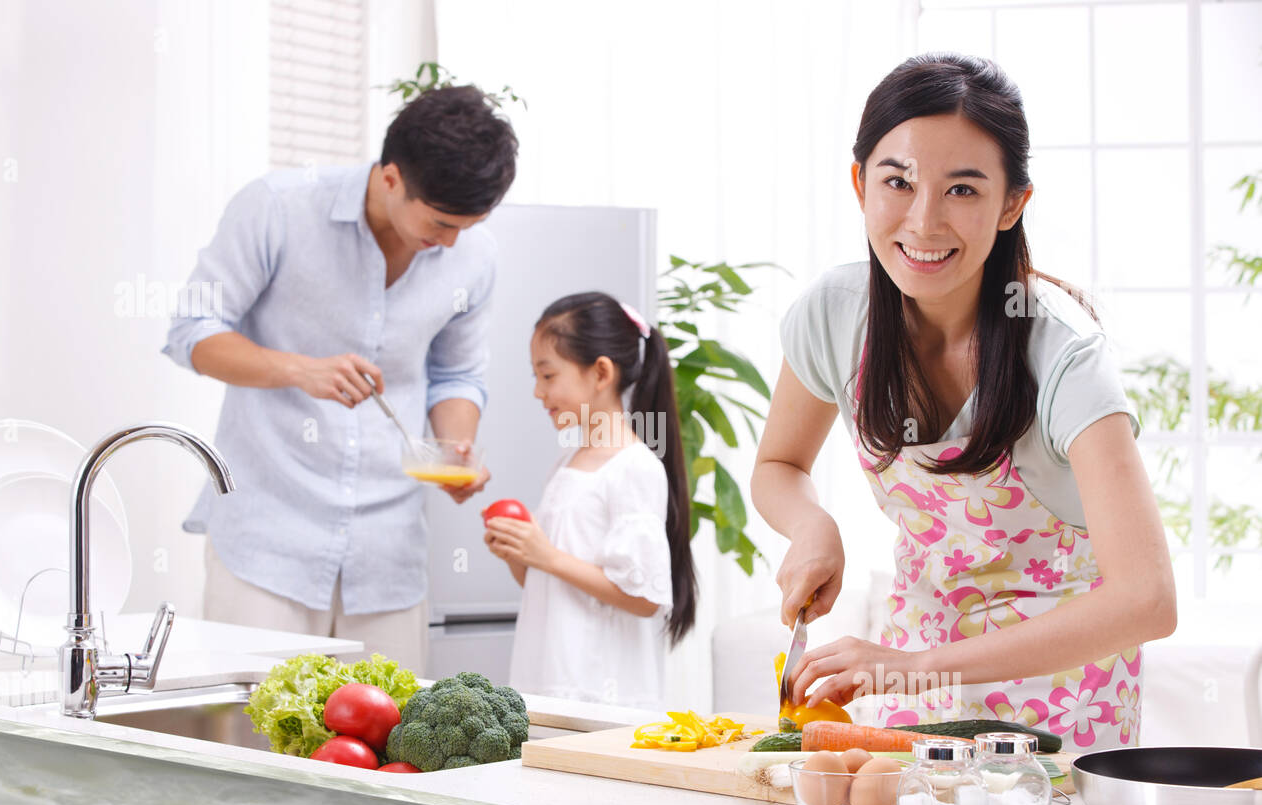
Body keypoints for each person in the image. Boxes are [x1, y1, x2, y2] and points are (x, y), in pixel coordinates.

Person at [751, 53, 1175, 752]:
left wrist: (914, 668)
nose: (923, 222)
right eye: (899, 181)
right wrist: (811, 529)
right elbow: (778, 465)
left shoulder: (1064, 352)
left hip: (1058, 701)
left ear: (1012, 203)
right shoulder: (833, 313)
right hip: (906, 684)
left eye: (963, 190)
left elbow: (1148, 600)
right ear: (860, 185)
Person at [162, 86, 518, 674]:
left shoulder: (474, 256)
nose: (452, 241)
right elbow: (191, 333)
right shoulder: (276, 207)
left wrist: (455, 447)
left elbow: (456, 372)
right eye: (440, 222)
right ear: (390, 178)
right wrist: (299, 369)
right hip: (267, 539)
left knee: (384, 750)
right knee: (252, 746)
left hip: (388, 552)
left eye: (469, 225)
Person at [482, 293, 697, 709]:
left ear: (601, 372)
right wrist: (519, 555)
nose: (538, 392)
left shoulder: (634, 467)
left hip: (600, 697)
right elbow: (552, 584)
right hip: (549, 684)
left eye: (548, 376)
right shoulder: (568, 462)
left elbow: (645, 596)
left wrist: (545, 556)